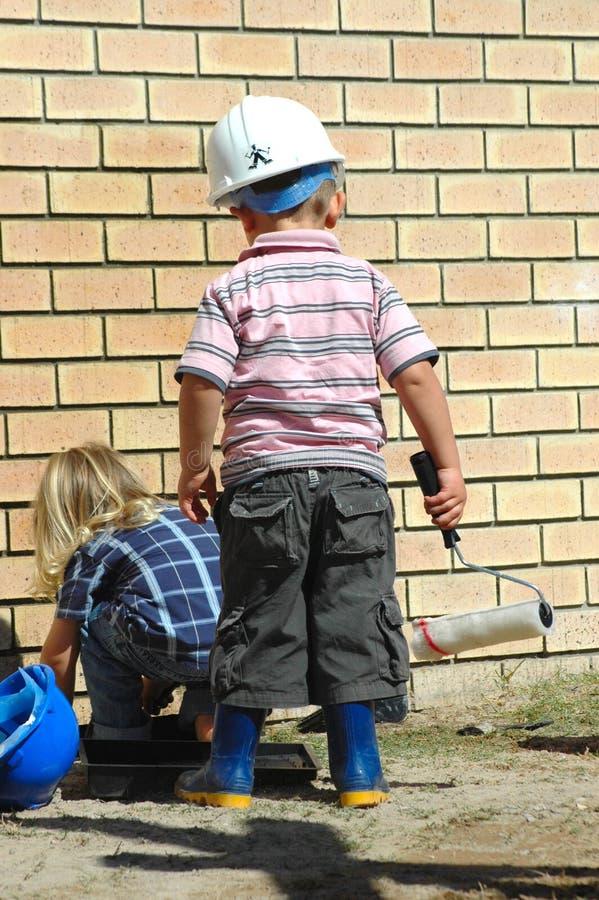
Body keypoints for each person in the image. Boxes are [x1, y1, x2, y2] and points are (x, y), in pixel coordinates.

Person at [174, 96, 466, 809]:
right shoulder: (367, 282)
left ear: (239, 213)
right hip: (356, 484)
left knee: (256, 614)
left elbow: (201, 382)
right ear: (335, 204)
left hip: (263, 485)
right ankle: (359, 773)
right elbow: (415, 374)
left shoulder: (230, 289)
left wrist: (194, 464)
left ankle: (231, 772)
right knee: (354, 614)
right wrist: (447, 465)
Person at [34, 443, 222, 743]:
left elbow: (59, 658)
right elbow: (188, 614)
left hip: (179, 653)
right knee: (212, 632)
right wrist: (157, 681)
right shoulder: (191, 519)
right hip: (239, 653)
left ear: (65, 511)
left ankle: (119, 739)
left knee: (89, 619)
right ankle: (211, 724)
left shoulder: (96, 547)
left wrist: (50, 730)